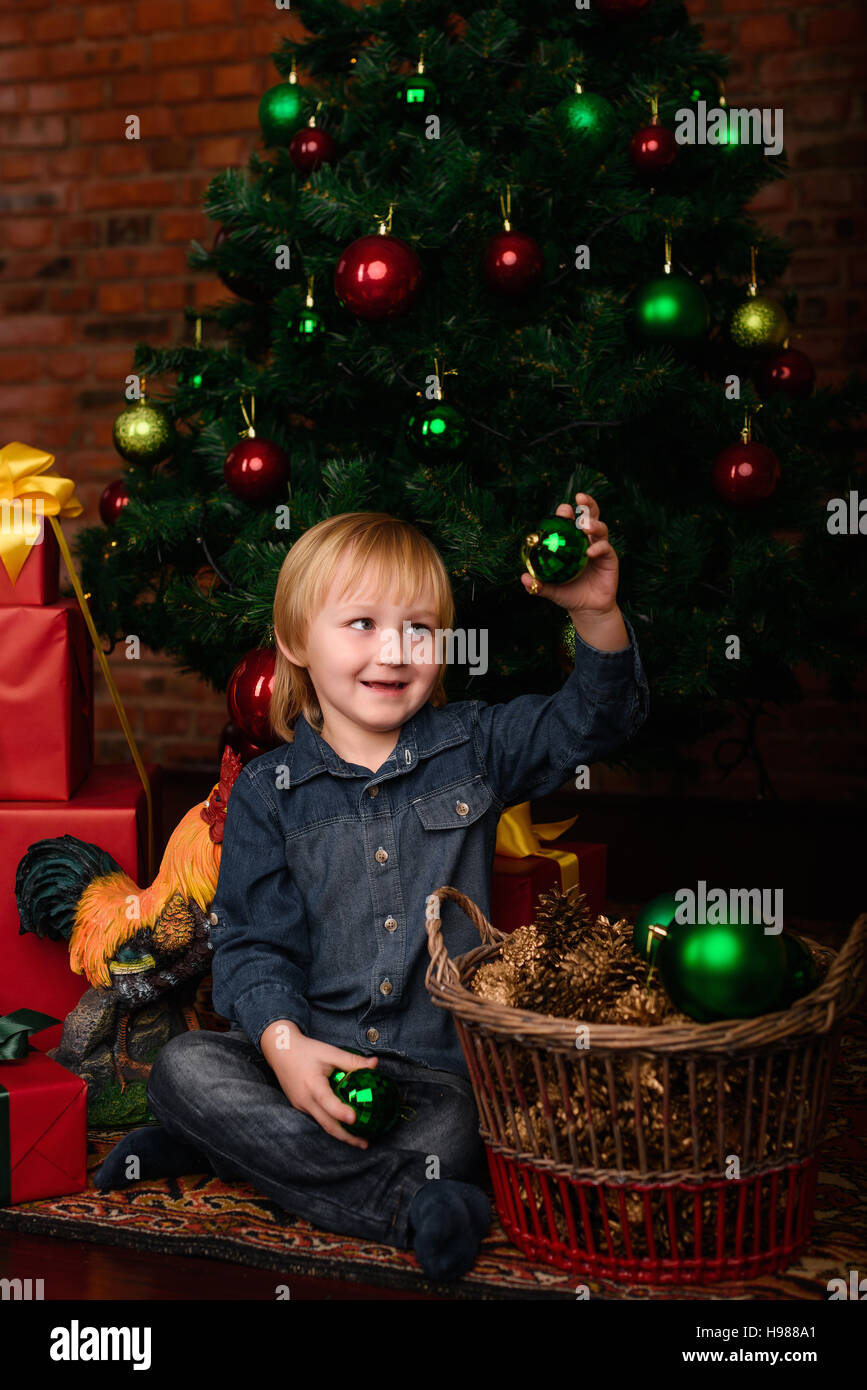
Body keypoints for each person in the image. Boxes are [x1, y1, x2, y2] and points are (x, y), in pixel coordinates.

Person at [95, 494, 649, 1282]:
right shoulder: (268, 789)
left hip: (431, 1076)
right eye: (361, 625)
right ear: (295, 641)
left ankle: (240, 1152)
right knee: (187, 1067)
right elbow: (254, 945)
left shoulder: (476, 748)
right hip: (300, 1057)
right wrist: (284, 1050)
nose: (393, 650)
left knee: (455, 1139)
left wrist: (595, 615)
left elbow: (594, 723)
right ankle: (390, 1201)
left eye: (418, 628)